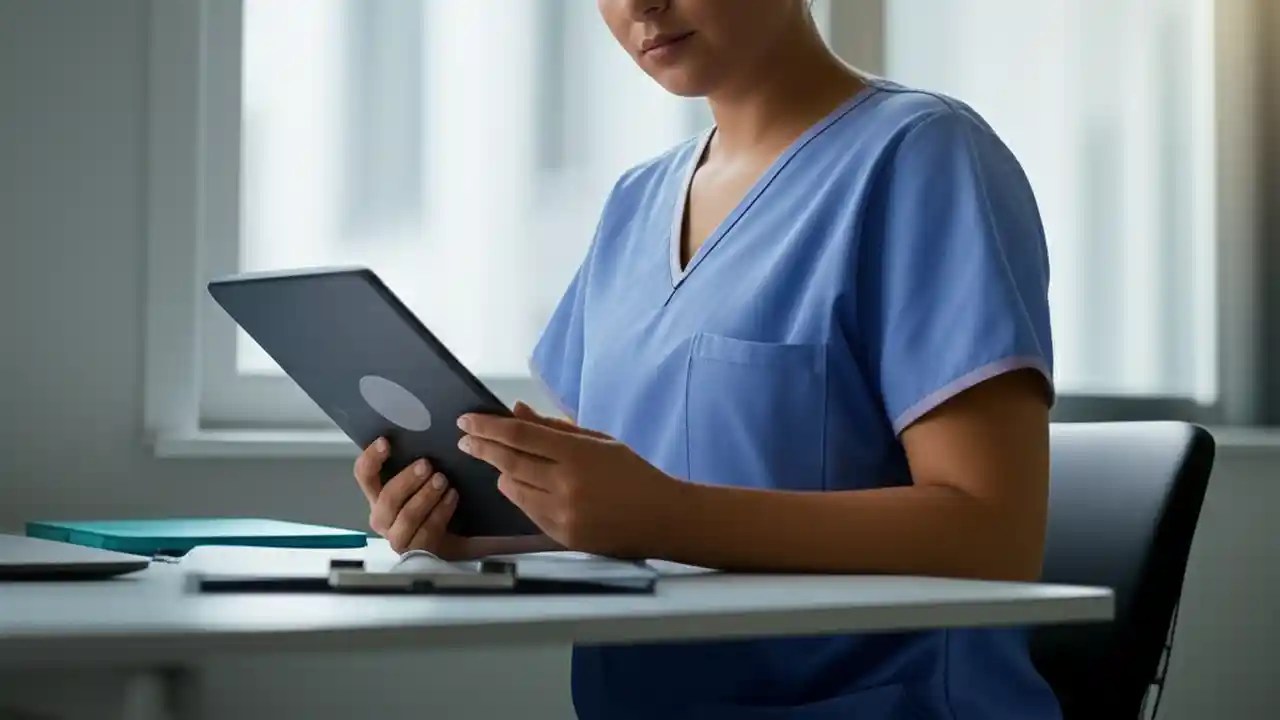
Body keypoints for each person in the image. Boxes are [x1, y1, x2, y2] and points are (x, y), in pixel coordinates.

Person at [352, 0, 1059, 717]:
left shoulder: (924, 157)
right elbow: (626, 513)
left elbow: (993, 536)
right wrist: (474, 526)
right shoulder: (635, 203)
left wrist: (665, 514)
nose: (639, 6)